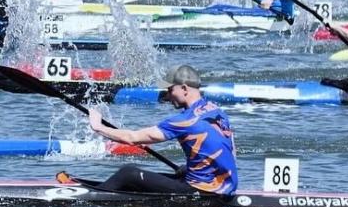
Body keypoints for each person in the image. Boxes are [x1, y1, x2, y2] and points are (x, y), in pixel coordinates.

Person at [89, 64, 237, 195]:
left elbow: (132, 138)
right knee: (171, 175)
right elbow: (229, 153)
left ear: (184, 88)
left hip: (202, 190)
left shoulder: (185, 120)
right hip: (226, 186)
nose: (167, 96)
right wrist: (189, 169)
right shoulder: (217, 112)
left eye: (170, 90)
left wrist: (98, 127)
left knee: (128, 174)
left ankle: (93, 196)